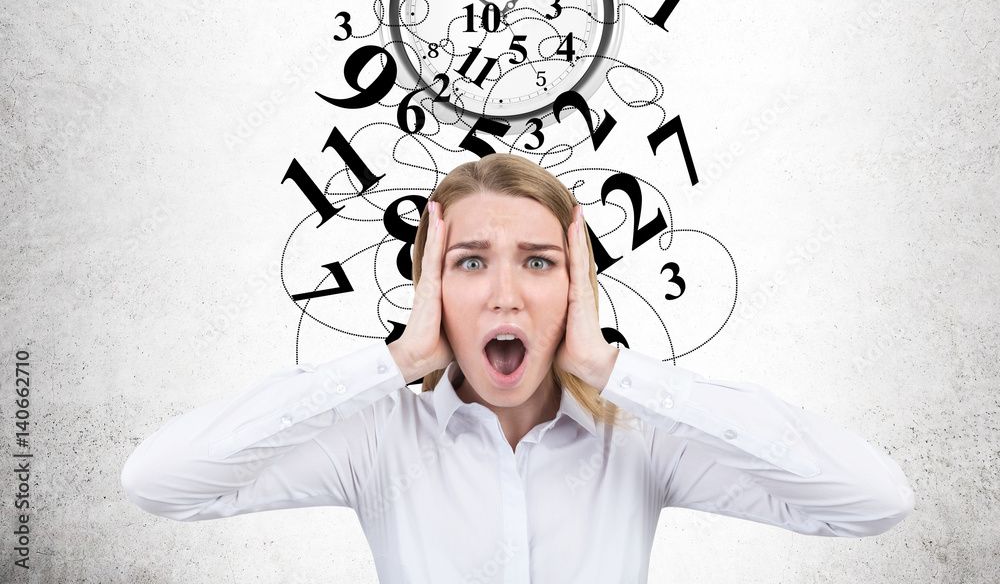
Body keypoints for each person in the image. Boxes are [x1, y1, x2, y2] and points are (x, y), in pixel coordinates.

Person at [121, 153, 914, 583]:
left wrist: (614, 369)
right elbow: (159, 481)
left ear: (576, 286)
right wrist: (398, 360)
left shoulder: (638, 440)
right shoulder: (377, 440)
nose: (505, 295)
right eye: (469, 264)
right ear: (430, 287)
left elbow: (873, 501)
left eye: (538, 262)